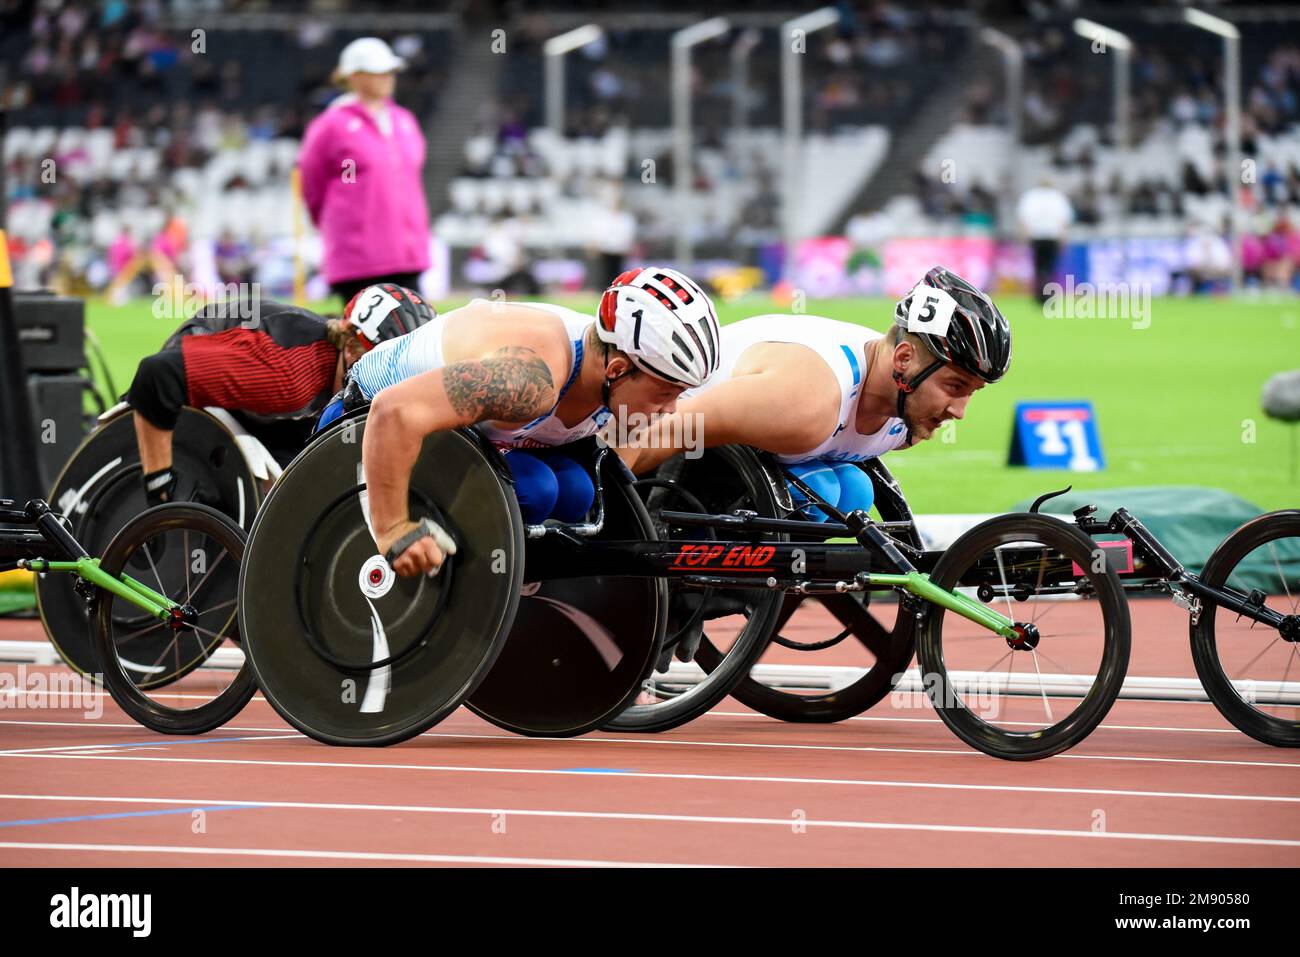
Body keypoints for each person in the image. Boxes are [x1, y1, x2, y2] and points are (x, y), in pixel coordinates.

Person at [344, 267, 721, 577]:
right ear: (618, 369)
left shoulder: (609, 375)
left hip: (455, 439)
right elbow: (393, 411)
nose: (672, 410)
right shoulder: (528, 379)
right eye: (664, 394)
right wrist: (393, 530)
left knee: (577, 489)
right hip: (359, 425)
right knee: (535, 489)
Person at [617, 266, 1012, 521]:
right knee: (826, 489)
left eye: (972, 393)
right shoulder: (804, 401)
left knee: (850, 489)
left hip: (743, 453)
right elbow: (669, 431)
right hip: (651, 433)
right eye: (955, 387)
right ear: (904, 360)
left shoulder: (905, 418)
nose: (959, 411)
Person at [126, 285, 434, 506]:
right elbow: (157, 376)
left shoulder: (335, 364)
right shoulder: (291, 376)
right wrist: (159, 489)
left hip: (263, 406)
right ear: (352, 349)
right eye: (394, 373)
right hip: (171, 408)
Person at [299, 37, 431, 304]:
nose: (387, 78)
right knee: (364, 342)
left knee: (419, 336)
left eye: (389, 71)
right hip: (358, 260)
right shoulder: (331, 125)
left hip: (407, 254)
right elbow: (312, 185)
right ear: (355, 77)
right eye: (378, 72)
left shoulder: (404, 120)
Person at [1016, 176, 1073, 304]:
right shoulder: (1058, 197)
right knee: (1049, 267)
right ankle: (1048, 294)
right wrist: (1064, 237)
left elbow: (1024, 218)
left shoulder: (1031, 196)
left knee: (1038, 267)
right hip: (1052, 236)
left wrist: (1024, 235)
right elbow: (1064, 219)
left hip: (1036, 236)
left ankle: (1039, 295)